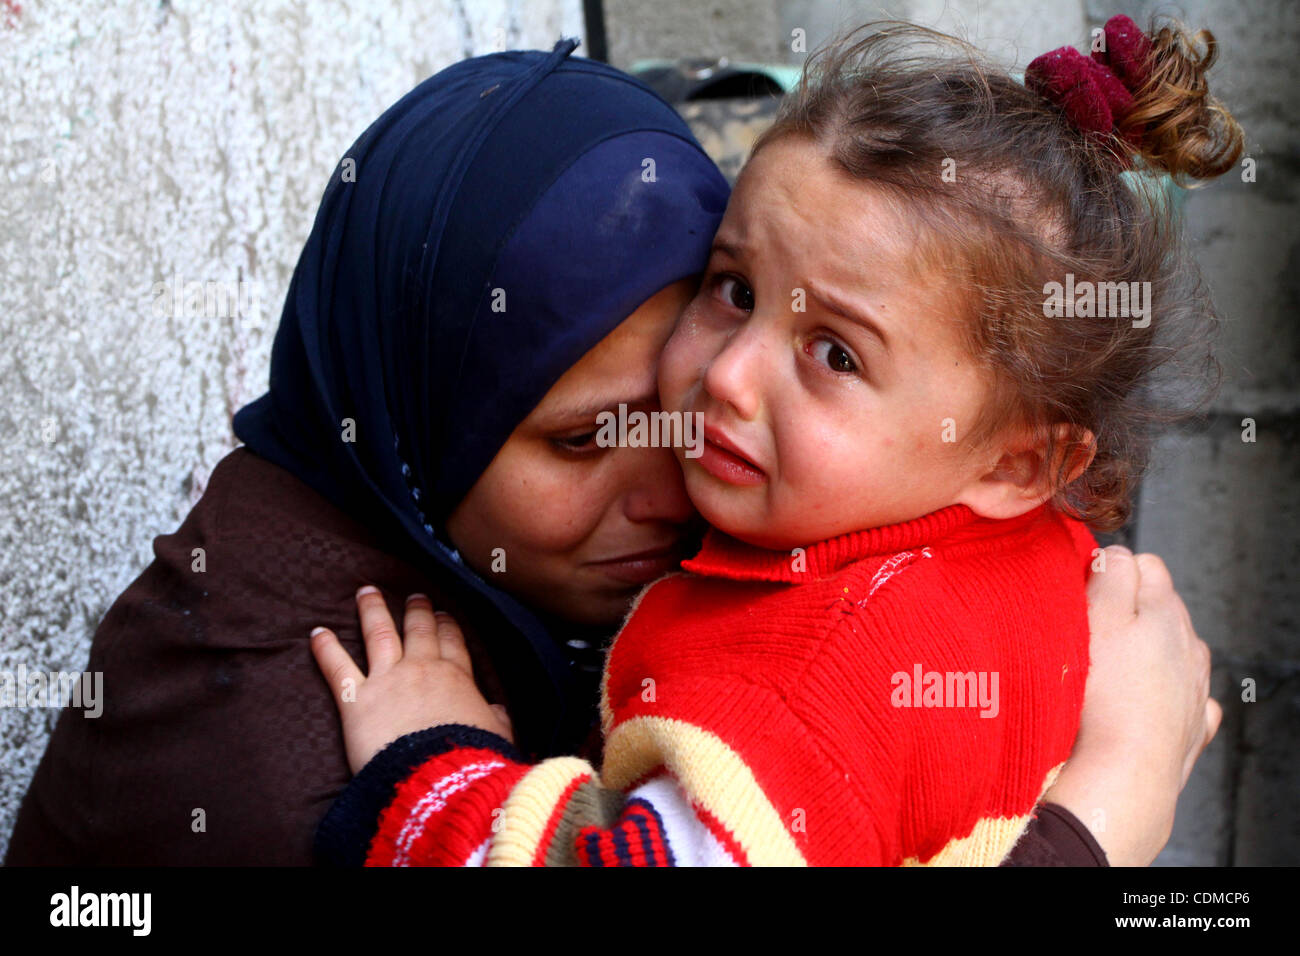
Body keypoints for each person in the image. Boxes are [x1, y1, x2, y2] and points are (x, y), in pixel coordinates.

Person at [5, 39, 1217, 868]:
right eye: (586, 437)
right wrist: (1102, 815)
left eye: (832, 354)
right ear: (418, 412)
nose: (687, 459)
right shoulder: (290, 763)